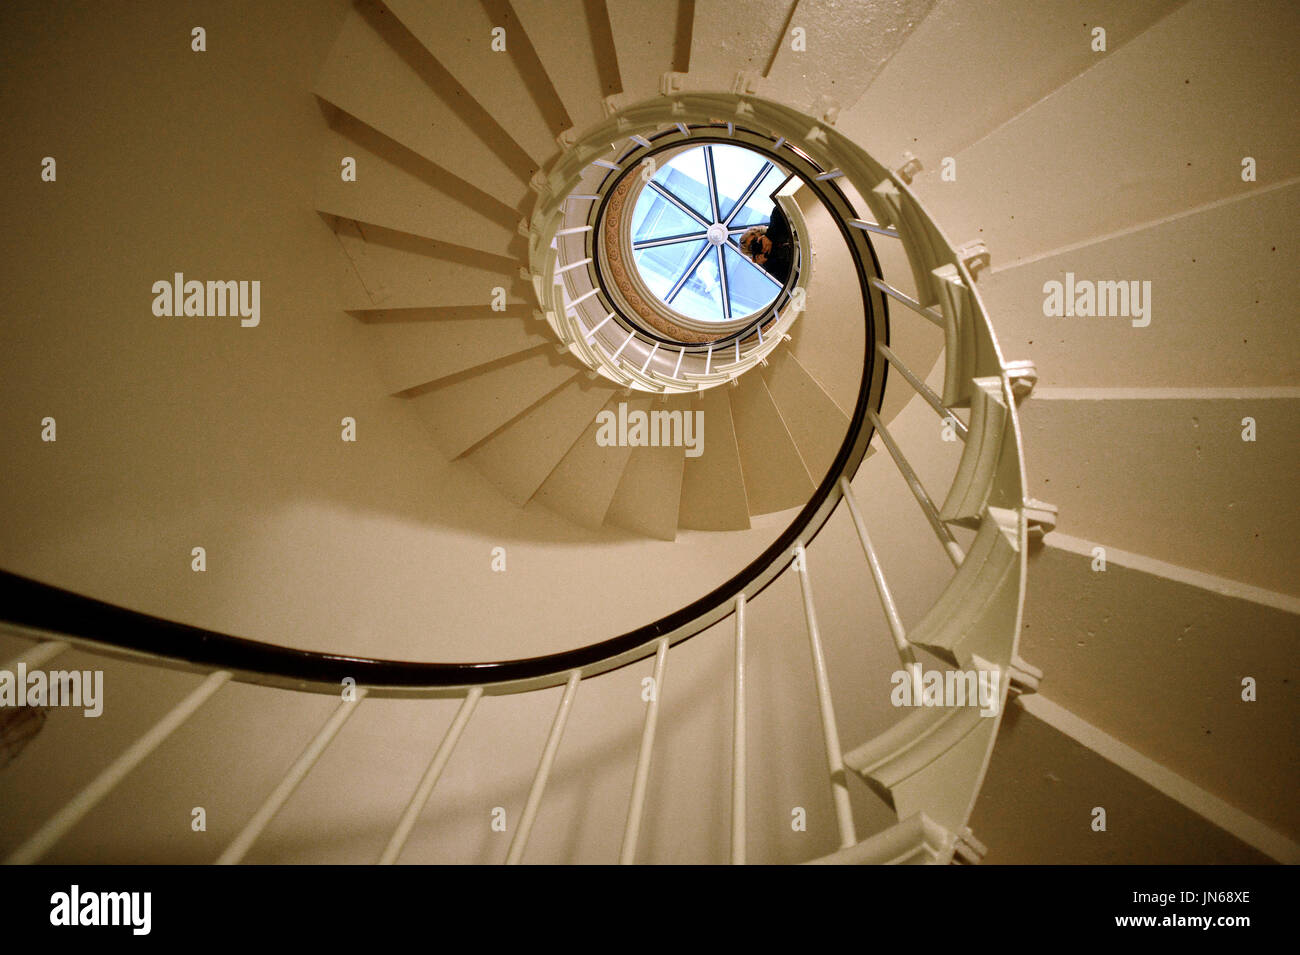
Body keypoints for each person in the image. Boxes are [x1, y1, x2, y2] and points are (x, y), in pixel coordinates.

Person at [739, 203, 794, 284]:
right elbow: (790, 280)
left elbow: (778, 209)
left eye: (755, 239)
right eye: (752, 247)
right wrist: (768, 262)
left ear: (758, 232)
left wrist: (770, 236)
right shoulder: (772, 263)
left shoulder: (776, 227)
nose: (757, 244)